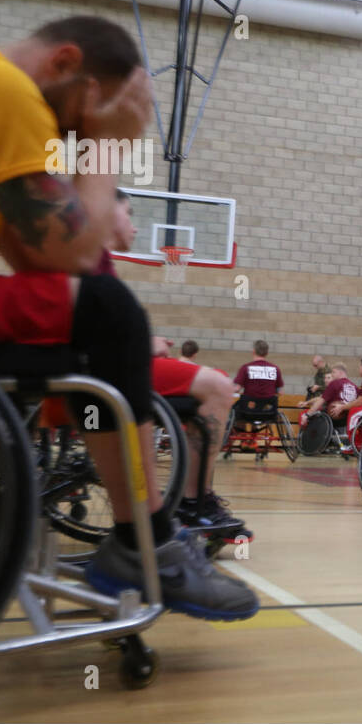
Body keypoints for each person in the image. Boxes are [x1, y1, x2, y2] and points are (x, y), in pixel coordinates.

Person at [0, 15, 256, 619]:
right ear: (65, 64)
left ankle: (145, 535)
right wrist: (109, 143)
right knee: (108, 312)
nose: (65, 137)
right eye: (73, 125)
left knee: (102, 320)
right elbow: (76, 255)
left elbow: (50, 263)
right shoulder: (0, 89)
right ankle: (146, 541)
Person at [106, 189, 252, 546]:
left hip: (115, 363)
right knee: (218, 386)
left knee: (204, 392)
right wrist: (143, 345)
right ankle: (193, 502)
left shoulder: (91, 262)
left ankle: (191, 498)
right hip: (113, 368)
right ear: (103, 214)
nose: (136, 228)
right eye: (129, 215)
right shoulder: (84, 264)